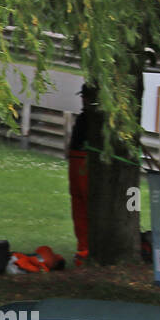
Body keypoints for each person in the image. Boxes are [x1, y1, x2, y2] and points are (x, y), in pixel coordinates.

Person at [67, 83, 95, 266]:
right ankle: (82, 247)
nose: (82, 100)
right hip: (76, 161)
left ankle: (87, 248)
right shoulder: (84, 118)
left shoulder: (93, 120)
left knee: (86, 205)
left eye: (85, 97)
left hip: (84, 162)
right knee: (78, 205)